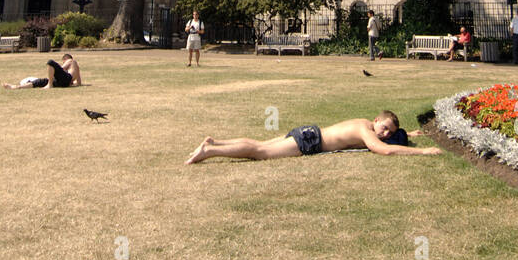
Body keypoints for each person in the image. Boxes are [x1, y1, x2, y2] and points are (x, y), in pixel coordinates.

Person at [186, 111, 441, 164]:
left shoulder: (364, 123)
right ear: (376, 120)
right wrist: (423, 152)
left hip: (309, 132)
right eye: (384, 128)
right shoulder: (366, 131)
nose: (384, 134)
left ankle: (215, 142)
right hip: (311, 141)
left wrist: (412, 133)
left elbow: (384, 140)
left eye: (389, 132)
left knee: (260, 145)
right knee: (259, 152)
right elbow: (383, 150)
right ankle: (210, 151)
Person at [2, 55, 83, 89]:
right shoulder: (76, 69)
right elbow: (78, 83)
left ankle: (49, 85)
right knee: (41, 81)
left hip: (66, 80)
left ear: (65, 59)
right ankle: (16, 87)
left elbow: (60, 69)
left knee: (50, 62)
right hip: (64, 82)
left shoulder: (71, 61)